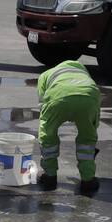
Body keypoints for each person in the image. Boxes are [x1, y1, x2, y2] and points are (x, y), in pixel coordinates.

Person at [35, 60, 101, 193]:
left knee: (48, 135)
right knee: (87, 139)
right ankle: (88, 180)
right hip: (89, 97)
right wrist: (91, 129)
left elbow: (43, 104)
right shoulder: (85, 74)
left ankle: (50, 176)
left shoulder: (46, 74)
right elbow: (95, 119)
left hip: (57, 98)